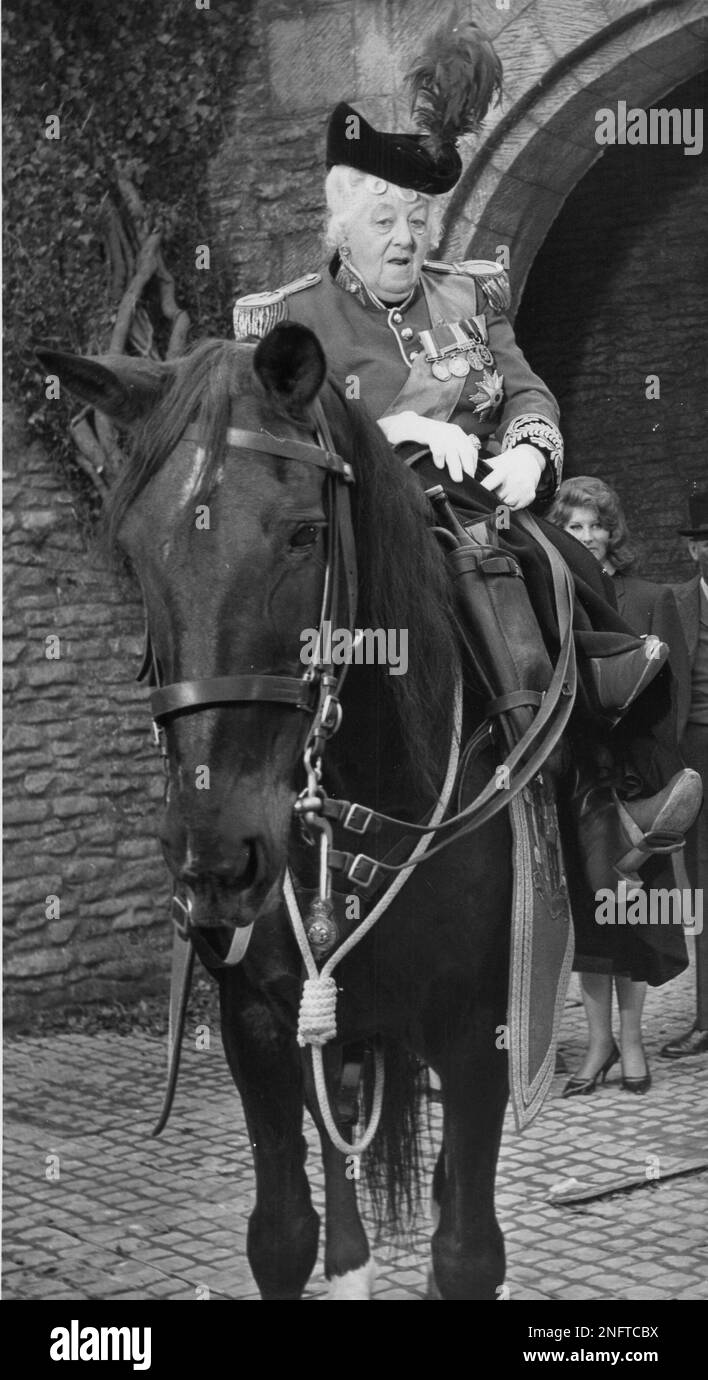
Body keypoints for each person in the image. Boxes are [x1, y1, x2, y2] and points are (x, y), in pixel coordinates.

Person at [232, 20, 701, 970]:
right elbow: (288, 434)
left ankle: (612, 790)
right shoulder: (295, 320)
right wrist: (401, 430)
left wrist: (531, 447)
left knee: (560, 560)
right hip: (373, 530)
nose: (406, 240)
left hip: (488, 509)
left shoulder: (467, 299)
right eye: (384, 223)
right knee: (487, 571)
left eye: (416, 222)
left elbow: (525, 387)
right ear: (341, 229)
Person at [547, 477, 693, 1094]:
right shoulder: (549, 597)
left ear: (613, 532)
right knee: (590, 920)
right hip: (577, 780)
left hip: (635, 777)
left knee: (632, 913)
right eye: (572, 527)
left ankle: (632, 1042)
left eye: (593, 526)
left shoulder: (651, 596)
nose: (584, 538)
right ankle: (599, 1044)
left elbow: (675, 695)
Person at [660, 491, 708, 1058]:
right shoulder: (674, 602)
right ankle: (705, 1019)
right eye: (701, 541)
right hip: (694, 755)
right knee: (700, 889)